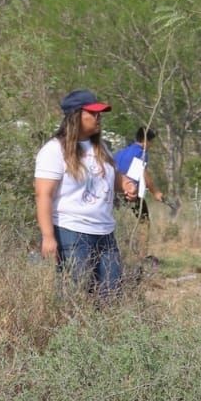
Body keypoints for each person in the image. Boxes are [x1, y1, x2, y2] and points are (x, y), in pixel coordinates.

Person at [34, 89, 122, 296]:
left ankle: (106, 329)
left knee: (111, 294)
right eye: (92, 113)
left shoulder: (102, 148)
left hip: (105, 233)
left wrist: (126, 185)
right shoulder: (54, 150)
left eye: (99, 113)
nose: (98, 117)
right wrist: (48, 237)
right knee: (75, 296)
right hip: (71, 232)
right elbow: (43, 195)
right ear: (75, 116)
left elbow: (113, 179)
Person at [114, 127, 164, 221]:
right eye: (151, 142)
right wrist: (156, 192)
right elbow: (143, 173)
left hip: (114, 193)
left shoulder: (121, 152)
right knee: (144, 222)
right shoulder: (141, 153)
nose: (151, 145)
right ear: (145, 140)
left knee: (116, 220)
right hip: (129, 192)